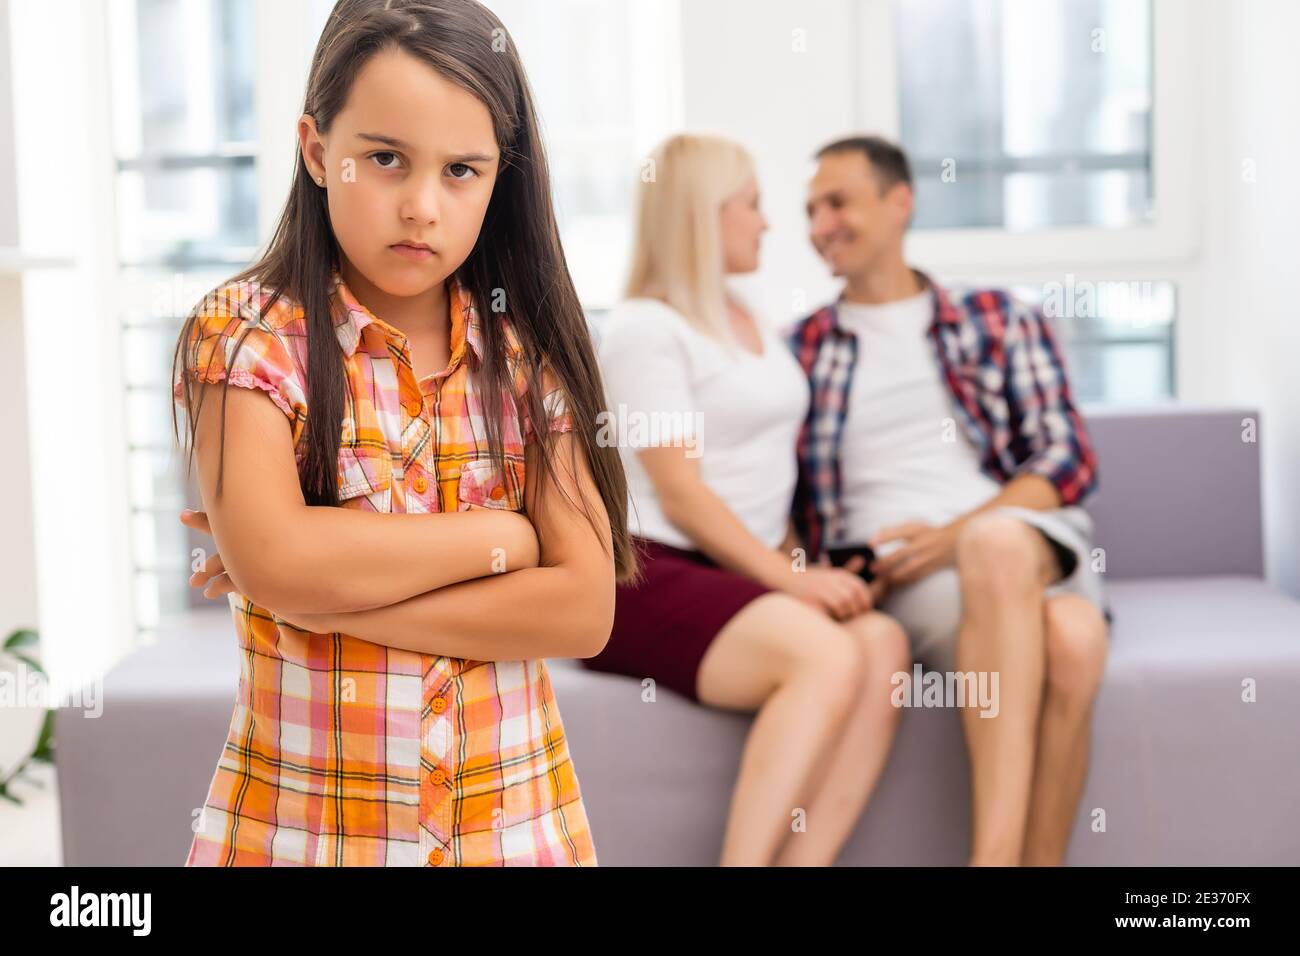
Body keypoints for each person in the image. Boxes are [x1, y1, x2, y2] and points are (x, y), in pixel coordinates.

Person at [171, 0, 635, 867]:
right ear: (316, 152)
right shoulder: (246, 335)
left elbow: (581, 609)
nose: (422, 206)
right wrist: (503, 537)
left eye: (462, 170)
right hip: (298, 842)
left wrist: (319, 593)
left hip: (518, 838)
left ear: (502, 177)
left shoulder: (528, 352)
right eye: (384, 160)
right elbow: (277, 563)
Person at [582, 133, 909, 866]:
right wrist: (792, 580)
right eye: (754, 206)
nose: (768, 223)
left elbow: (769, 471)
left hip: (737, 575)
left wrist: (811, 562)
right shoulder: (645, 329)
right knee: (825, 655)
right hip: (646, 571)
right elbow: (685, 494)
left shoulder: (751, 320)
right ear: (705, 214)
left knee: (883, 643)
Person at [790, 135, 1109, 866]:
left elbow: (1067, 455)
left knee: (994, 545)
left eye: (837, 202)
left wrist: (955, 534)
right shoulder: (802, 350)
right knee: (1076, 641)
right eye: (809, 210)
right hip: (907, 579)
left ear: (899, 202)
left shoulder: (998, 318)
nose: (819, 226)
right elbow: (778, 503)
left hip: (1024, 541)